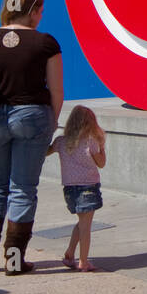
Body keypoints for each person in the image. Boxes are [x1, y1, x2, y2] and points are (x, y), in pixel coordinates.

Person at [0, 0, 63, 274]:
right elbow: (56, 89)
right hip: (32, 117)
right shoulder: (46, 43)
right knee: (23, 188)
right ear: (32, 11)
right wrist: (52, 122)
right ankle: (14, 261)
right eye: (40, 11)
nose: (41, 16)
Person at [47, 105, 106, 272]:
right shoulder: (91, 142)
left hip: (69, 189)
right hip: (88, 187)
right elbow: (101, 164)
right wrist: (102, 146)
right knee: (86, 227)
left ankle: (69, 253)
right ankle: (83, 261)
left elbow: (44, 152)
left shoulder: (61, 142)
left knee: (82, 222)